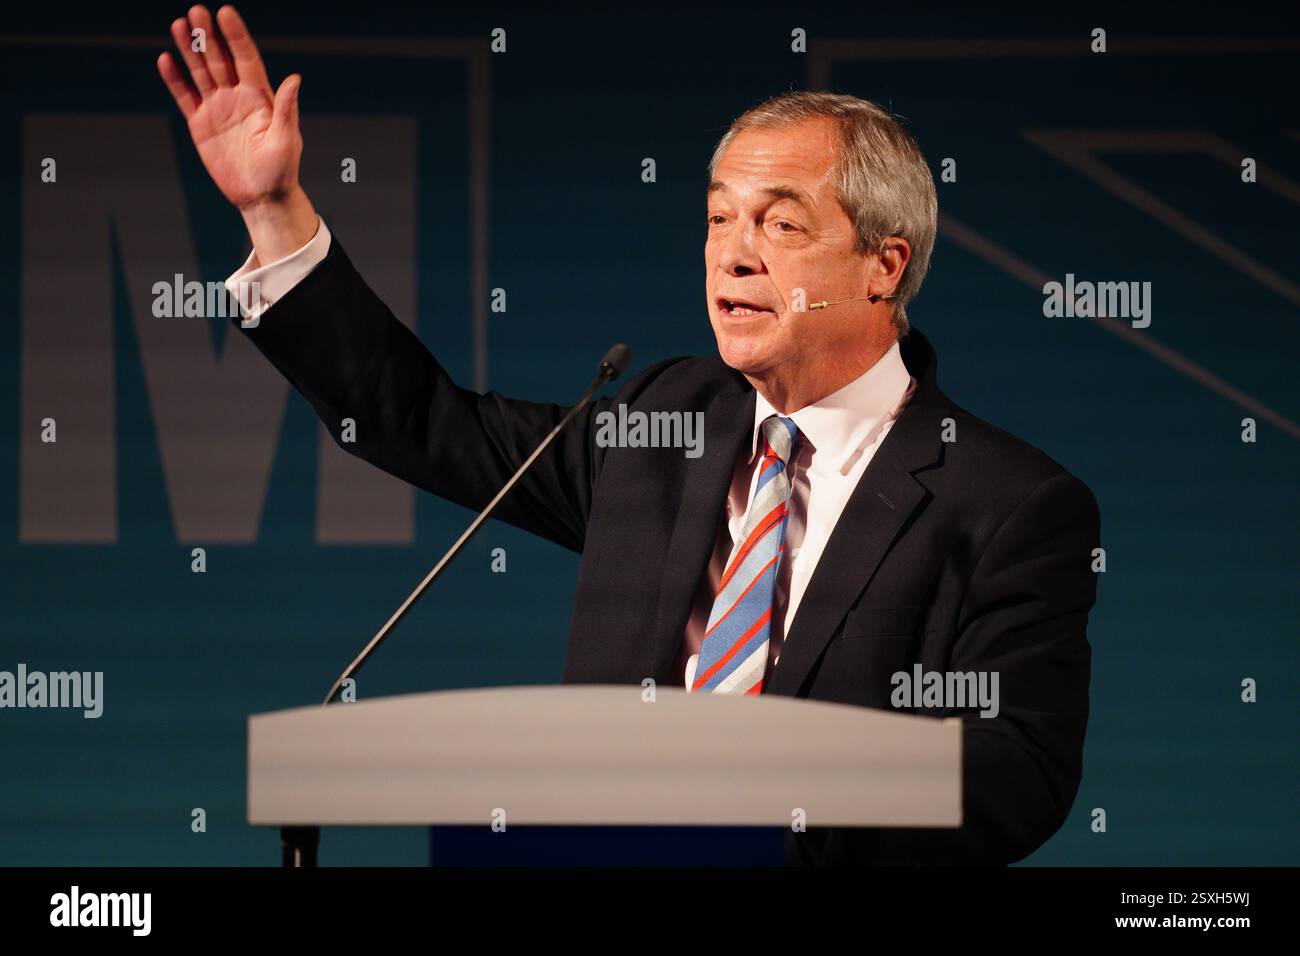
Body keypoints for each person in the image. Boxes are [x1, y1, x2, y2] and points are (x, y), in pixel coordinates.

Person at [158, 5, 1101, 865]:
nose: (732, 252)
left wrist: (771, 813)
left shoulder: (1009, 504)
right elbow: (419, 420)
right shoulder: (661, 424)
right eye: (718, 219)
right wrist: (272, 211)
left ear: (883, 266)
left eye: (778, 225)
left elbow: (1019, 771)